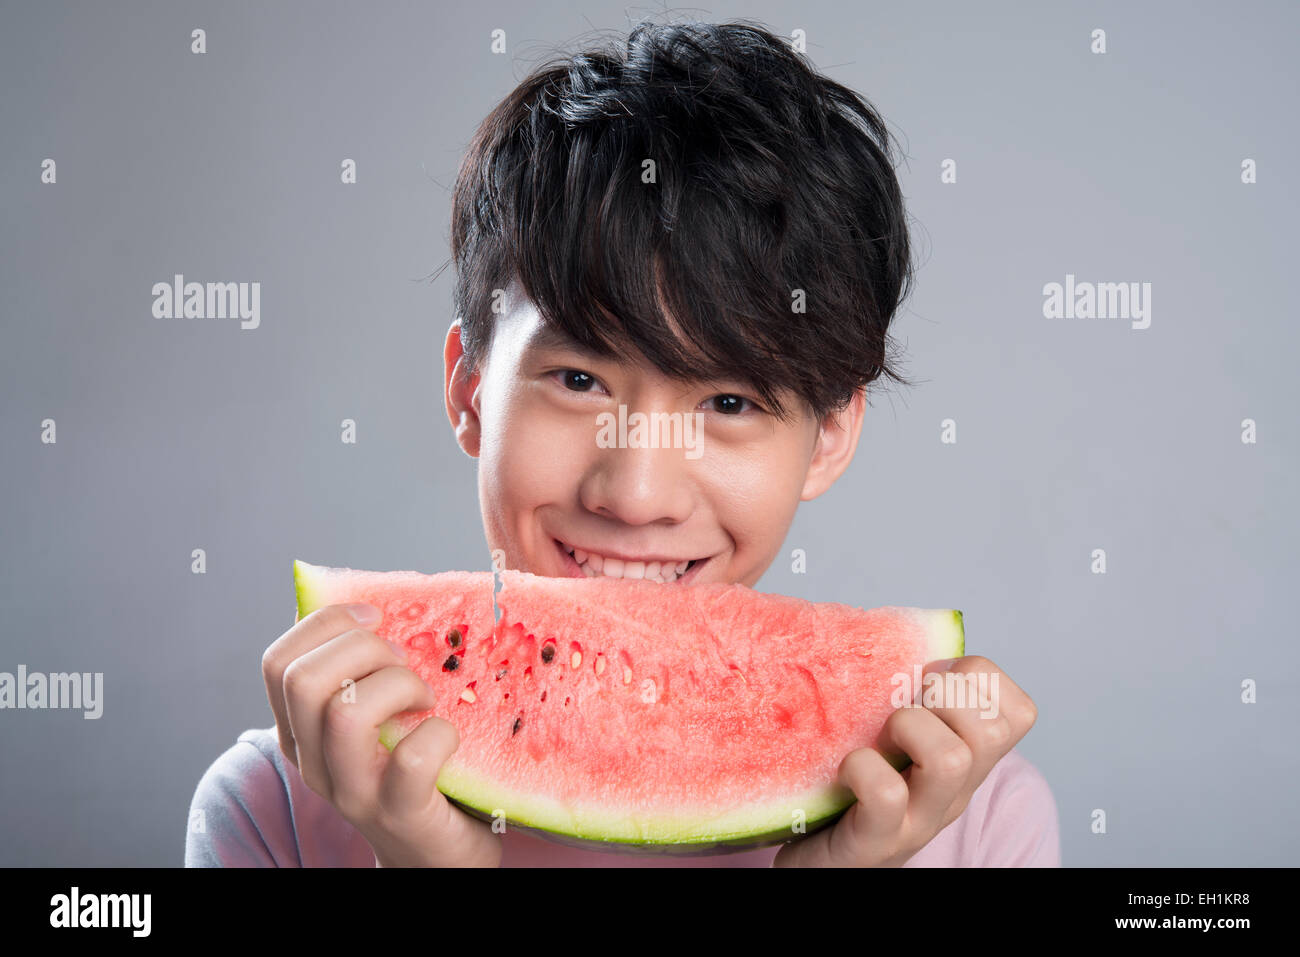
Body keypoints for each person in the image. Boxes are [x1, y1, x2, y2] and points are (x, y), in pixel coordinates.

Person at [187, 19, 1058, 868]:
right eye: (579, 381)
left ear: (828, 435)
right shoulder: (273, 808)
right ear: (469, 390)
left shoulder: (972, 821)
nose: (636, 493)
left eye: (729, 400)